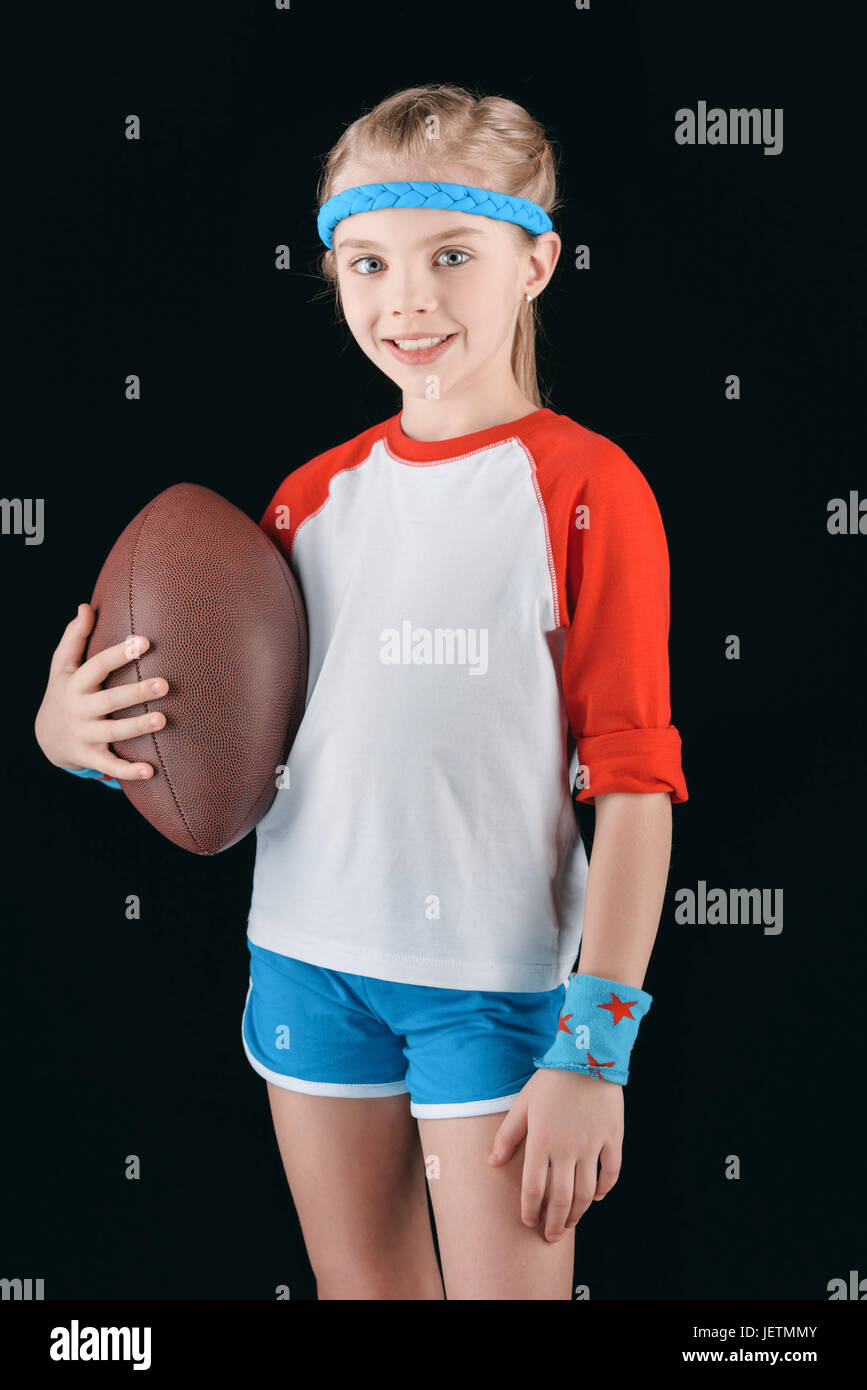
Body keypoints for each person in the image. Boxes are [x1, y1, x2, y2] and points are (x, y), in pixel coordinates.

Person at [34, 83, 688, 1301]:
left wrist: (595, 1048)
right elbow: (225, 723)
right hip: (304, 955)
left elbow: (636, 782)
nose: (409, 299)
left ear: (535, 261)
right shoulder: (305, 499)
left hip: (494, 986)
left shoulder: (586, 488)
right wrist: (69, 738)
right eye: (366, 261)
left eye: (452, 254)